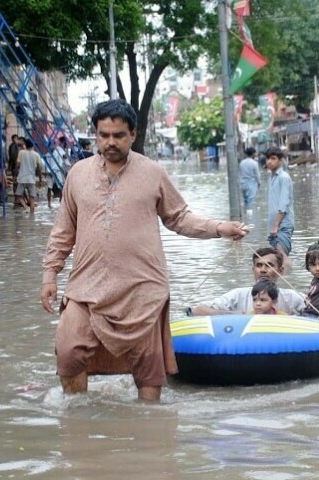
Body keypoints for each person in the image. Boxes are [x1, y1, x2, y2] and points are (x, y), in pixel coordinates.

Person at [40, 99, 249, 402]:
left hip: (142, 289)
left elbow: (178, 217)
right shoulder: (77, 174)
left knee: (149, 369)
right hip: (87, 286)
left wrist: (220, 228)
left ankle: (149, 431)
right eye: (103, 135)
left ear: (133, 135)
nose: (110, 142)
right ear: (96, 134)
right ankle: (78, 424)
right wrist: (50, 274)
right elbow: (63, 231)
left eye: (118, 135)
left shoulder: (153, 173)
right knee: (69, 351)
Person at [188, 246, 319, 323]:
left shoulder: (292, 298)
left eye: (269, 266)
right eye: (259, 265)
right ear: (253, 270)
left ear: (281, 270)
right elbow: (196, 310)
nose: (263, 270)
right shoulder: (238, 295)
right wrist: (237, 318)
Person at [265, 146, 295, 271]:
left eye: (273, 158)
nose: (269, 162)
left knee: (281, 254)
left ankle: (290, 277)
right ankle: (284, 278)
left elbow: (283, 204)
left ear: (280, 160)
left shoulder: (284, 177)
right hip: (275, 224)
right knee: (278, 256)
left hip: (283, 224)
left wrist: (276, 225)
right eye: (267, 159)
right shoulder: (272, 177)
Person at [15, 139, 42, 214]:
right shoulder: (36, 155)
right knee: (32, 199)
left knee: (18, 195)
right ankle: (32, 216)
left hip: (22, 178)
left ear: (25, 146)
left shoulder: (21, 153)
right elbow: (39, 168)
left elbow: (17, 165)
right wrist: (40, 179)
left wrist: (15, 175)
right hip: (31, 179)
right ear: (32, 146)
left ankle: (26, 207)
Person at [239, 147, 261, 215]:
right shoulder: (254, 163)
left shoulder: (242, 162)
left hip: (242, 184)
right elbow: (257, 175)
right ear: (253, 154)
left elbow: (240, 173)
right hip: (251, 185)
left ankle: (245, 215)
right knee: (250, 202)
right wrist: (259, 183)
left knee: (245, 201)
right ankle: (249, 218)